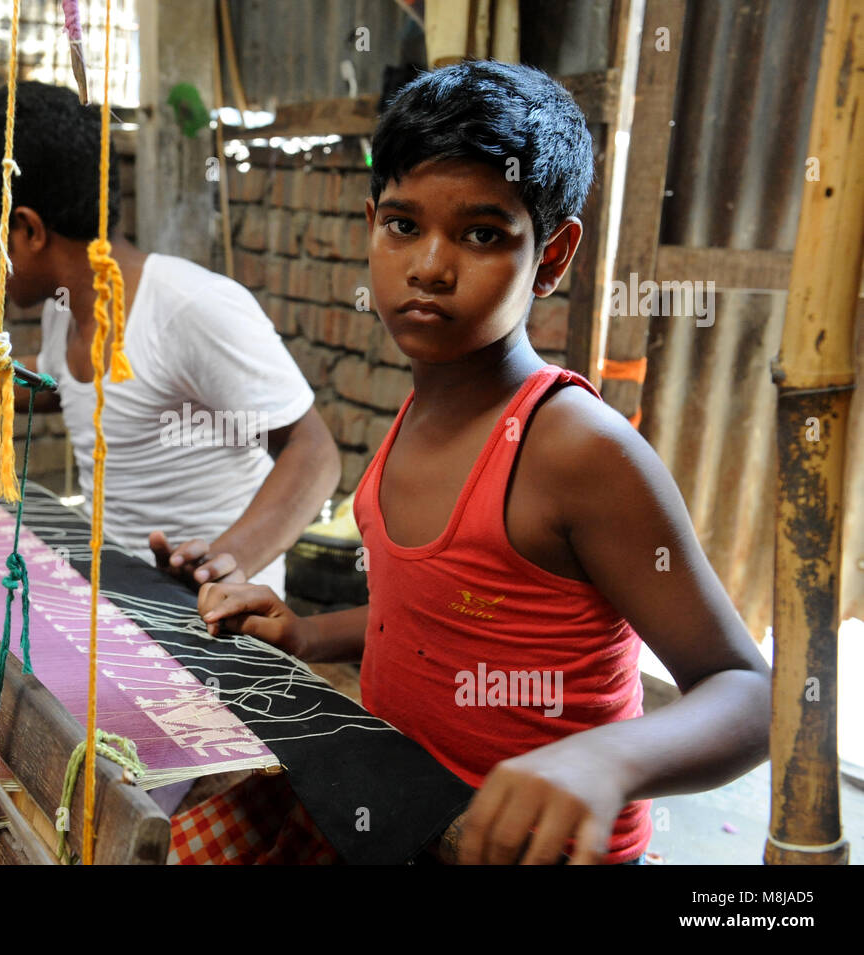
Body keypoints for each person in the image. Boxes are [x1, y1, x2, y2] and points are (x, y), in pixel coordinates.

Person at [195, 61, 771, 864]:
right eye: (403, 225)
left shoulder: (576, 450)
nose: (430, 265)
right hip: (411, 814)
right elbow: (442, 619)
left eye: (481, 234)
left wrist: (605, 757)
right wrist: (308, 632)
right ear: (370, 224)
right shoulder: (419, 407)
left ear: (554, 255)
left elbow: (749, 692)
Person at [0, 82, 339, 593]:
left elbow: (313, 449)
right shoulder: (68, 305)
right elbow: (58, 387)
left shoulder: (193, 308)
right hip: (120, 593)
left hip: (213, 617)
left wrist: (225, 561)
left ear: (29, 231)